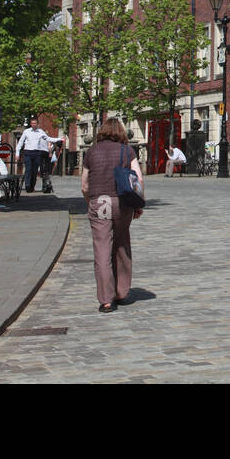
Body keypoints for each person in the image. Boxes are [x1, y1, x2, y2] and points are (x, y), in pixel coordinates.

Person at [81, 116, 143, 314]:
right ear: (121, 132)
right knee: (122, 245)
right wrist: (138, 205)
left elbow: (84, 185)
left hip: (99, 201)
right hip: (122, 203)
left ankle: (106, 300)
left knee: (102, 250)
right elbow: (138, 179)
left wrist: (89, 201)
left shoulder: (91, 151)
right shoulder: (127, 151)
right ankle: (122, 292)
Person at [15, 116, 63, 193]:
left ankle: (32, 186)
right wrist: (17, 153)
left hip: (37, 153)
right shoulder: (26, 132)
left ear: (37, 124)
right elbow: (20, 143)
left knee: (35, 171)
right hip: (28, 152)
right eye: (32, 123)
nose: (34, 125)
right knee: (28, 169)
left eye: (35, 123)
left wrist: (59, 139)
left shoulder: (40, 132)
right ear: (30, 124)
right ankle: (27, 185)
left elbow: (49, 138)